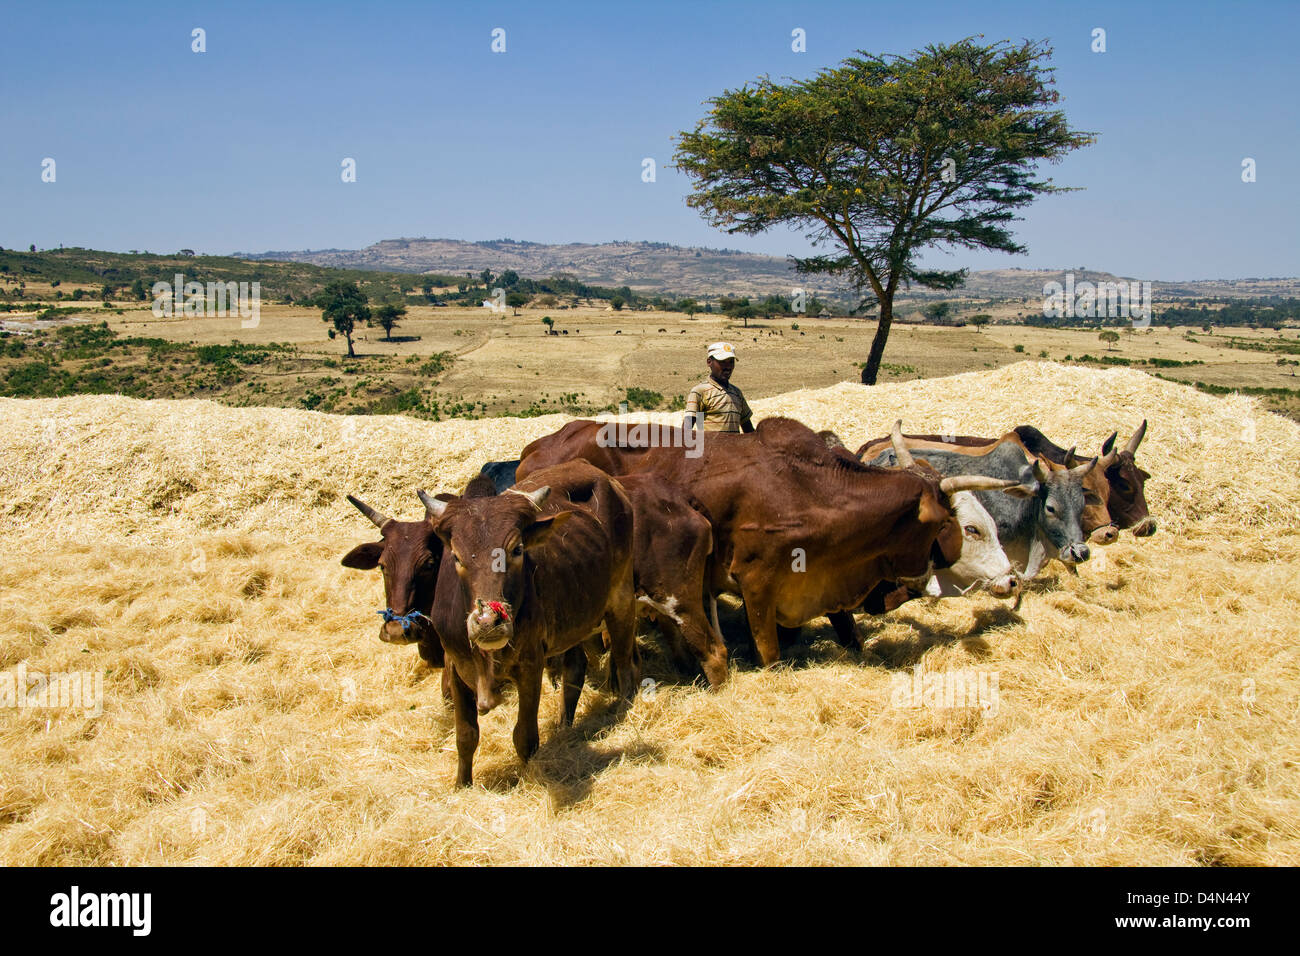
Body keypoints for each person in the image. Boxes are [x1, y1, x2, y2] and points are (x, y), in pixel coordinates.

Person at [683, 341, 754, 433]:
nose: (727, 367)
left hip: (734, 447)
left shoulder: (737, 393)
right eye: (722, 362)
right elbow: (687, 429)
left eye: (731, 362)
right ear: (709, 362)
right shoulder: (700, 392)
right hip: (709, 447)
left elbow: (748, 430)